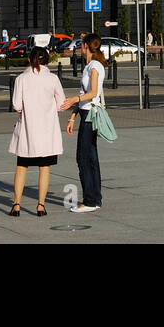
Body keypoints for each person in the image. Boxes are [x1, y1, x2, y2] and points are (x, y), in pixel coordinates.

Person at [7, 46, 66, 217]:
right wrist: (48, 108)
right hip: (47, 130)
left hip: (27, 129)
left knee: (21, 166)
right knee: (44, 167)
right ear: (47, 61)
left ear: (29, 60)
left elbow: (17, 105)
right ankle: (41, 205)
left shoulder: (22, 79)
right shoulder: (53, 79)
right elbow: (61, 103)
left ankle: (16, 204)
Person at [61, 34, 106, 212]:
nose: (79, 48)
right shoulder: (89, 65)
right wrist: (72, 116)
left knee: (83, 157)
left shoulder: (94, 66)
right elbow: (84, 93)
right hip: (85, 113)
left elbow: (93, 93)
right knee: (91, 157)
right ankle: (95, 198)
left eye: (81, 45)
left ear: (86, 46)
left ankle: (90, 201)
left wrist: (74, 99)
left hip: (90, 115)